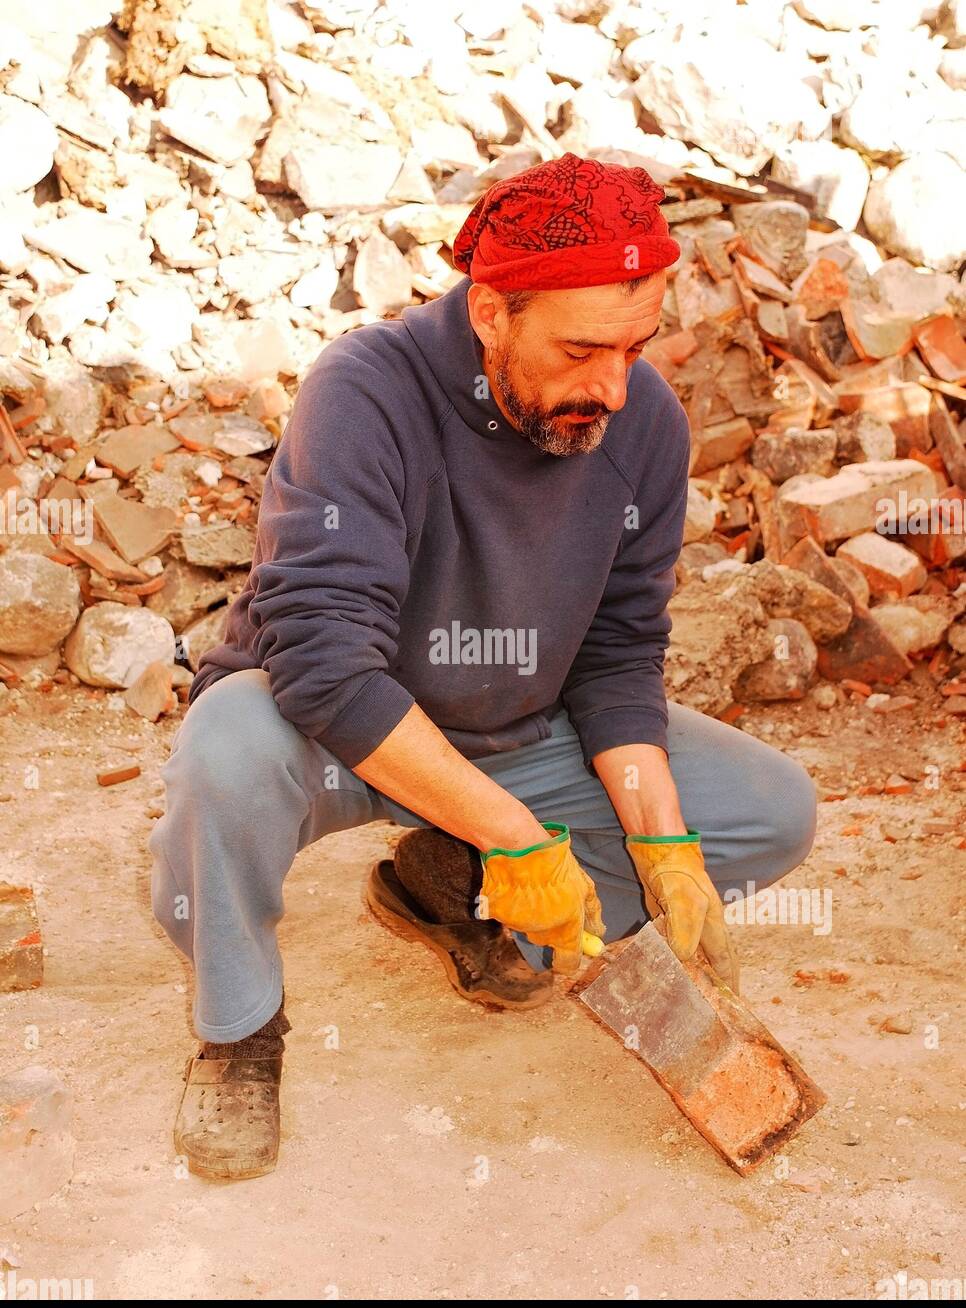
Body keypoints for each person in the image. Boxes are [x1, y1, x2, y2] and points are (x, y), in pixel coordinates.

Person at [149, 154, 817, 1180]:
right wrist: (517, 834)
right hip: (335, 733)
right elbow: (321, 653)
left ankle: (453, 885)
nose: (613, 386)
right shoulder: (367, 388)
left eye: (635, 347)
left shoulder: (642, 424)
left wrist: (666, 844)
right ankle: (241, 1033)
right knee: (225, 746)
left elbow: (619, 652)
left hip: (515, 733)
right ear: (491, 311)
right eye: (584, 348)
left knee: (770, 807)